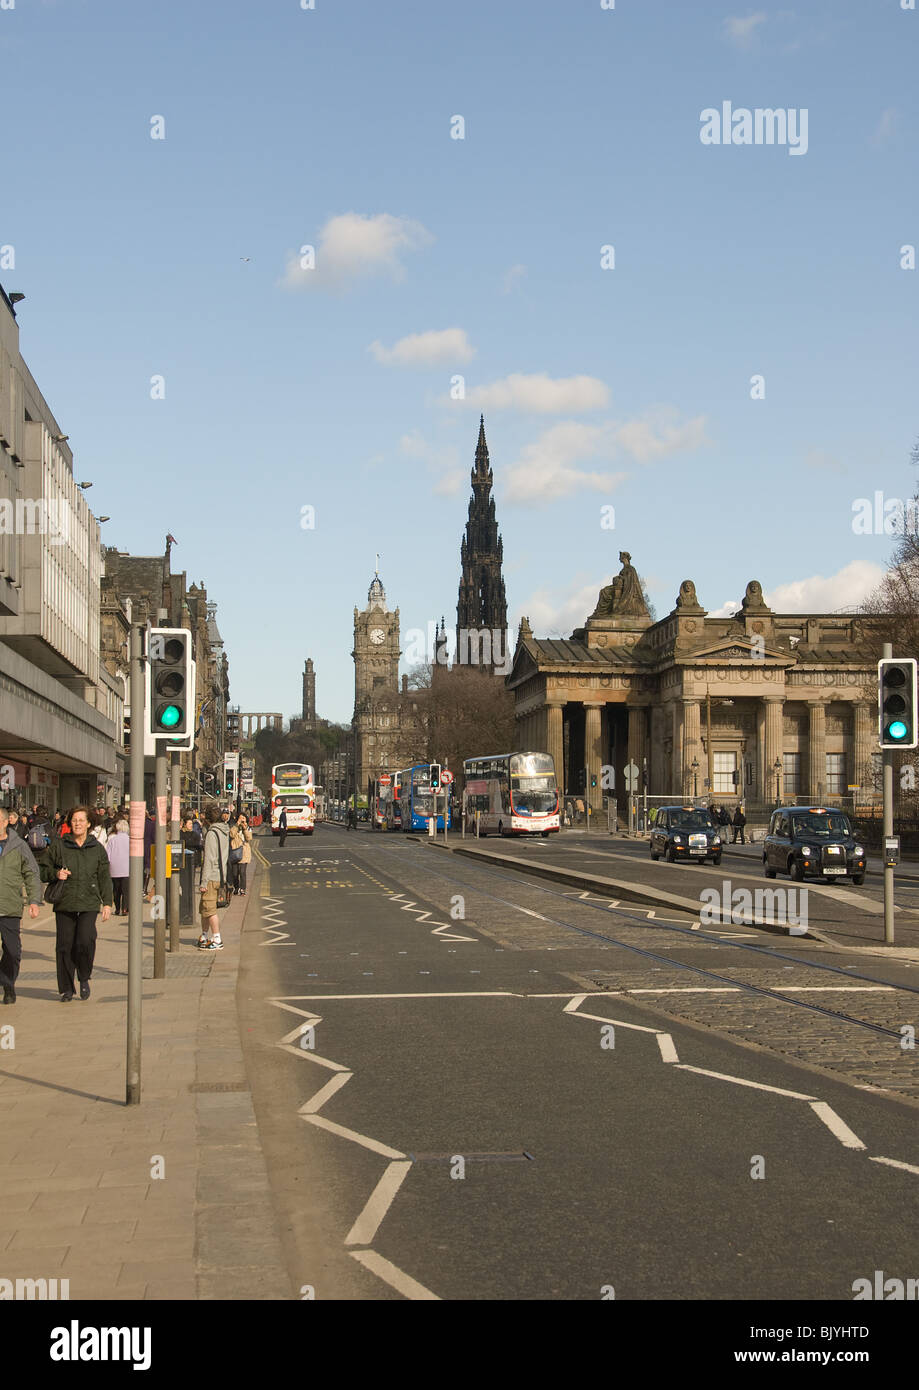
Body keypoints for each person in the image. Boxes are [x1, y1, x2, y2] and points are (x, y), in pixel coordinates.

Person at [40, 806, 113, 1002]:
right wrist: (56, 874)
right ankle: (66, 989)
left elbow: (104, 876)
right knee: (64, 946)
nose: (78, 823)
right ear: (69, 823)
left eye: (81, 820)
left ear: (89, 824)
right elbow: (43, 868)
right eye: (74, 820)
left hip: (89, 902)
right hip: (65, 901)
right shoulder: (59, 845)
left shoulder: (96, 848)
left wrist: (107, 902)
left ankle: (83, 976)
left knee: (85, 941)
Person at [0, 807, 42, 1005]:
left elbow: (32, 873)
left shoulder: (18, 845)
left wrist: (34, 900)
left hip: (10, 906)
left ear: (6, 821)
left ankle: (8, 982)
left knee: (12, 951)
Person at [198, 802, 230, 951]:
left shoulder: (212, 833)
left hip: (212, 876)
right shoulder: (224, 831)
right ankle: (204, 935)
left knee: (210, 910)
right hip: (221, 875)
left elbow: (209, 859)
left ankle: (217, 938)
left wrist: (204, 881)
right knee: (204, 907)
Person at [105, 817, 130, 916]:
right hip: (127, 868)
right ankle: (125, 908)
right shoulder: (130, 840)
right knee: (126, 891)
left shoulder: (112, 840)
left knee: (116, 890)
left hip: (114, 869)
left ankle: (117, 909)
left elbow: (108, 855)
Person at [231, 813, 252, 895]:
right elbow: (232, 834)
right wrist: (237, 824)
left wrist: (245, 829)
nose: (242, 819)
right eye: (240, 818)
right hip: (235, 851)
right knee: (235, 873)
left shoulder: (248, 828)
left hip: (244, 852)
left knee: (242, 872)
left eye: (243, 818)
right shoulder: (234, 827)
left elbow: (249, 838)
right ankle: (236, 887)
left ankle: (242, 889)